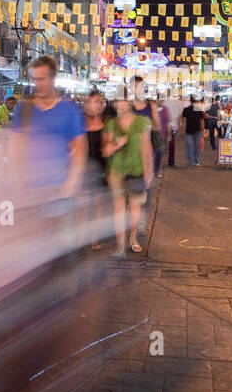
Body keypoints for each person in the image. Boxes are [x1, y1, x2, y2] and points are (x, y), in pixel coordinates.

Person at [12, 55, 87, 201]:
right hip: (29, 189)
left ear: (52, 79)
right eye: (34, 79)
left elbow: (80, 150)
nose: (37, 84)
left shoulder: (69, 109)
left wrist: (71, 184)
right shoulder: (24, 108)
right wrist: (15, 181)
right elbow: (15, 145)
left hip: (59, 189)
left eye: (42, 79)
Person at [102, 92, 154, 255]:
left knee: (134, 208)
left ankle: (133, 240)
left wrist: (149, 171)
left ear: (130, 101)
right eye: (117, 101)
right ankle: (119, 245)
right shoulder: (111, 124)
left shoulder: (141, 122)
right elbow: (106, 151)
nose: (120, 104)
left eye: (123, 100)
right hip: (117, 171)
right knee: (118, 209)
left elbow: (146, 148)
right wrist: (117, 144)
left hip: (136, 170)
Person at [83, 89, 111, 251]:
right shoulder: (80, 126)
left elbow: (108, 149)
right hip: (83, 171)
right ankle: (82, 237)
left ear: (102, 105)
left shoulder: (107, 126)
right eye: (90, 102)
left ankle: (94, 237)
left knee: (98, 206)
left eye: (98, 102)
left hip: (101, 171)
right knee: (83, 207)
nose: (94, 106)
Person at [181, 94, 204, 168]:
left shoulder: (186, 109)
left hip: (189, 131)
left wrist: (182, 130)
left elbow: (183, 121)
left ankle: (191, 161)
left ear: (190, 101)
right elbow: (202, 121)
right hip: (197, 130)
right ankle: (196, 161)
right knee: (196, 146)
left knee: (189, 147)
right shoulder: (199, 109)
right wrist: (202, 131)